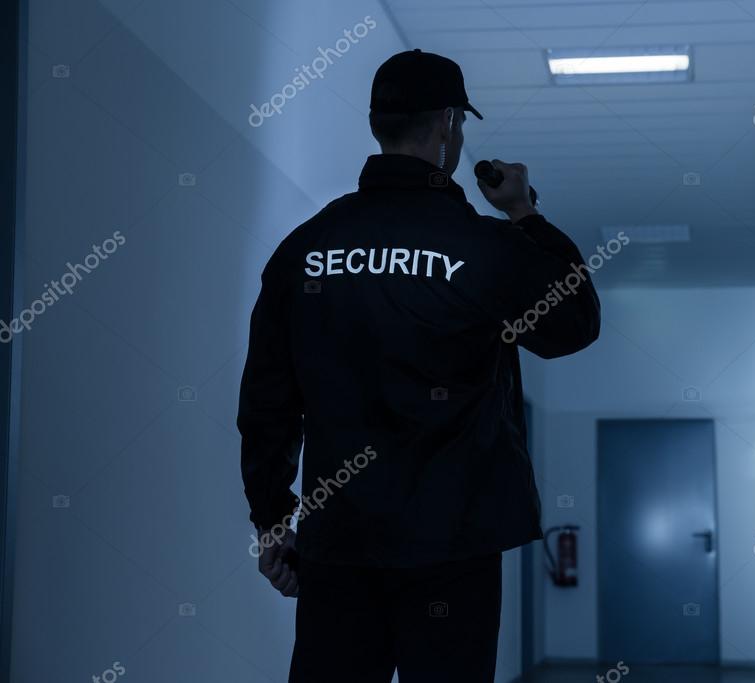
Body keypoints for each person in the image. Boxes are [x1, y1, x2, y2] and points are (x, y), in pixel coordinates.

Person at [238, 48, 600, 683]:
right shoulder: (484, 247)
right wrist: (524, 214)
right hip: (453, 546)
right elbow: (573, 326)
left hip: (339, 544)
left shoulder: (303, 250)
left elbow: (267, 402)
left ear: (378, 124)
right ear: (449, 126)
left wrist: (274, 522)